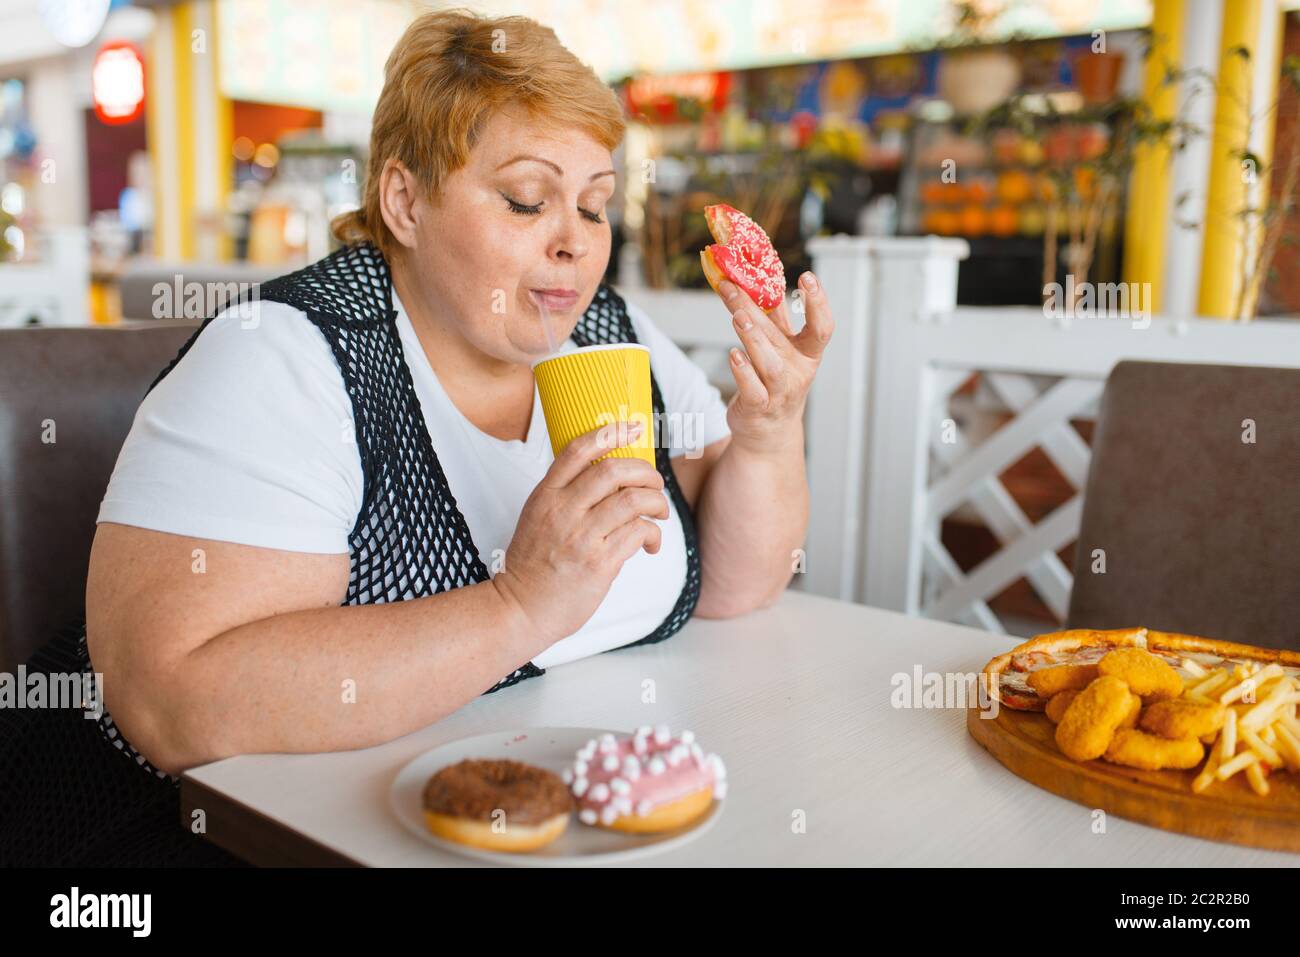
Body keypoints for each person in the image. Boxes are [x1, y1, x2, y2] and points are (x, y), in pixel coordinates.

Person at [2, 8, 834, 866]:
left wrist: (769, 434)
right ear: (404, 199)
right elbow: (171, 703)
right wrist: (520, 606)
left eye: (593, 205)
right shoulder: (292, 356)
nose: (575, 245)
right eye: (526, 198)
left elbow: (738, 584)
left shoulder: (608, 334)